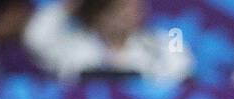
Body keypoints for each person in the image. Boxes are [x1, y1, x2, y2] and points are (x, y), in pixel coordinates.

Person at [22, 0, 193, 82]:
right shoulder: (72, 46)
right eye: (119, 8)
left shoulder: (164, 40)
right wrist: (70, 5)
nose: (129, 14)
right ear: (98, 14)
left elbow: (182, 71)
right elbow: (35, 40)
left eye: (134, 7)